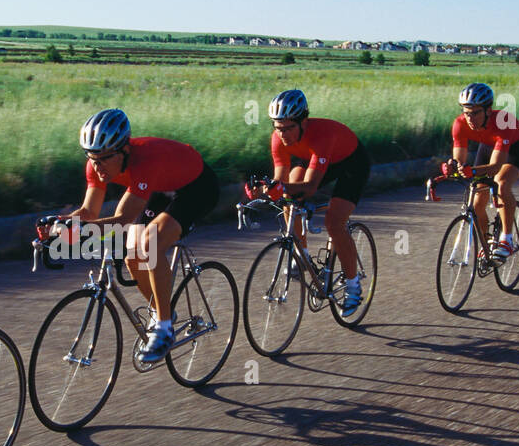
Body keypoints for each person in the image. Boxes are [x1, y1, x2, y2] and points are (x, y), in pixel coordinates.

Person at [57, 108, 218, 362]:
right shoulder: (97, 164)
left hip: (196, 187)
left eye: (104, 159)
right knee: (132, 254)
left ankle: (164, 329)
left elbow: (122, 219)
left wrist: (80, 231)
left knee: (150, 244)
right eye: (92, 159)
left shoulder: (145, 160)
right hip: (160, 185)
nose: (97, 167)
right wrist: (60, 225)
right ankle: (162, 310)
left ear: (124, 151)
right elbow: (89, 211)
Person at [251, 89, 370, 317]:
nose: (283, 134)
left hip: (352, 164)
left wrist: (282, 188)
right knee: (289, 193)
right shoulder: (278, 139)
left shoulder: (321, 135)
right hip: (317, 160)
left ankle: (353, 286)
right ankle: (302, 256)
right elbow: (282, 181)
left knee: (334, 222)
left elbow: (311, 186)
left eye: (288, 128)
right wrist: (266, 190)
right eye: (278, 128)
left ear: (303, 121)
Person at [444, 83, 519, 260]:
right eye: (467, 112)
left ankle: (507, 239)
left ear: (488, 110)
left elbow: (496, 166)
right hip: (489, 145)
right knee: (476, 202)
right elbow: (460, 160)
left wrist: (472, 171)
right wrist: (454, 167)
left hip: (515, 148)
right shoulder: (460, 124)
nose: (470, 118)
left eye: (475, 113)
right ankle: (486, 243)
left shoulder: (503, 123)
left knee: (501, 183)